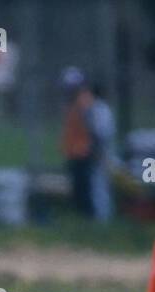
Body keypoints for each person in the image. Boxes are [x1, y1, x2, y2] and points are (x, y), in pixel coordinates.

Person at [59, 67, 94, 216]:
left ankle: (87, 216)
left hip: (83, 152)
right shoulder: (74, 103)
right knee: (77, 187)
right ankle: (81, 215)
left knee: (84, 188)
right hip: (74, 152)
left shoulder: (84, 102)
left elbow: (92, 128)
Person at [86, 82, 116, 223]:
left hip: (101, 150)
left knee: (100, 185)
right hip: (103, 149)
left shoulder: (98, 109)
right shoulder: (103, 108)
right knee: (100, 184)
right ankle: (102, 215)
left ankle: (103, 217)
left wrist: (98, 152)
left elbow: (100, 133)